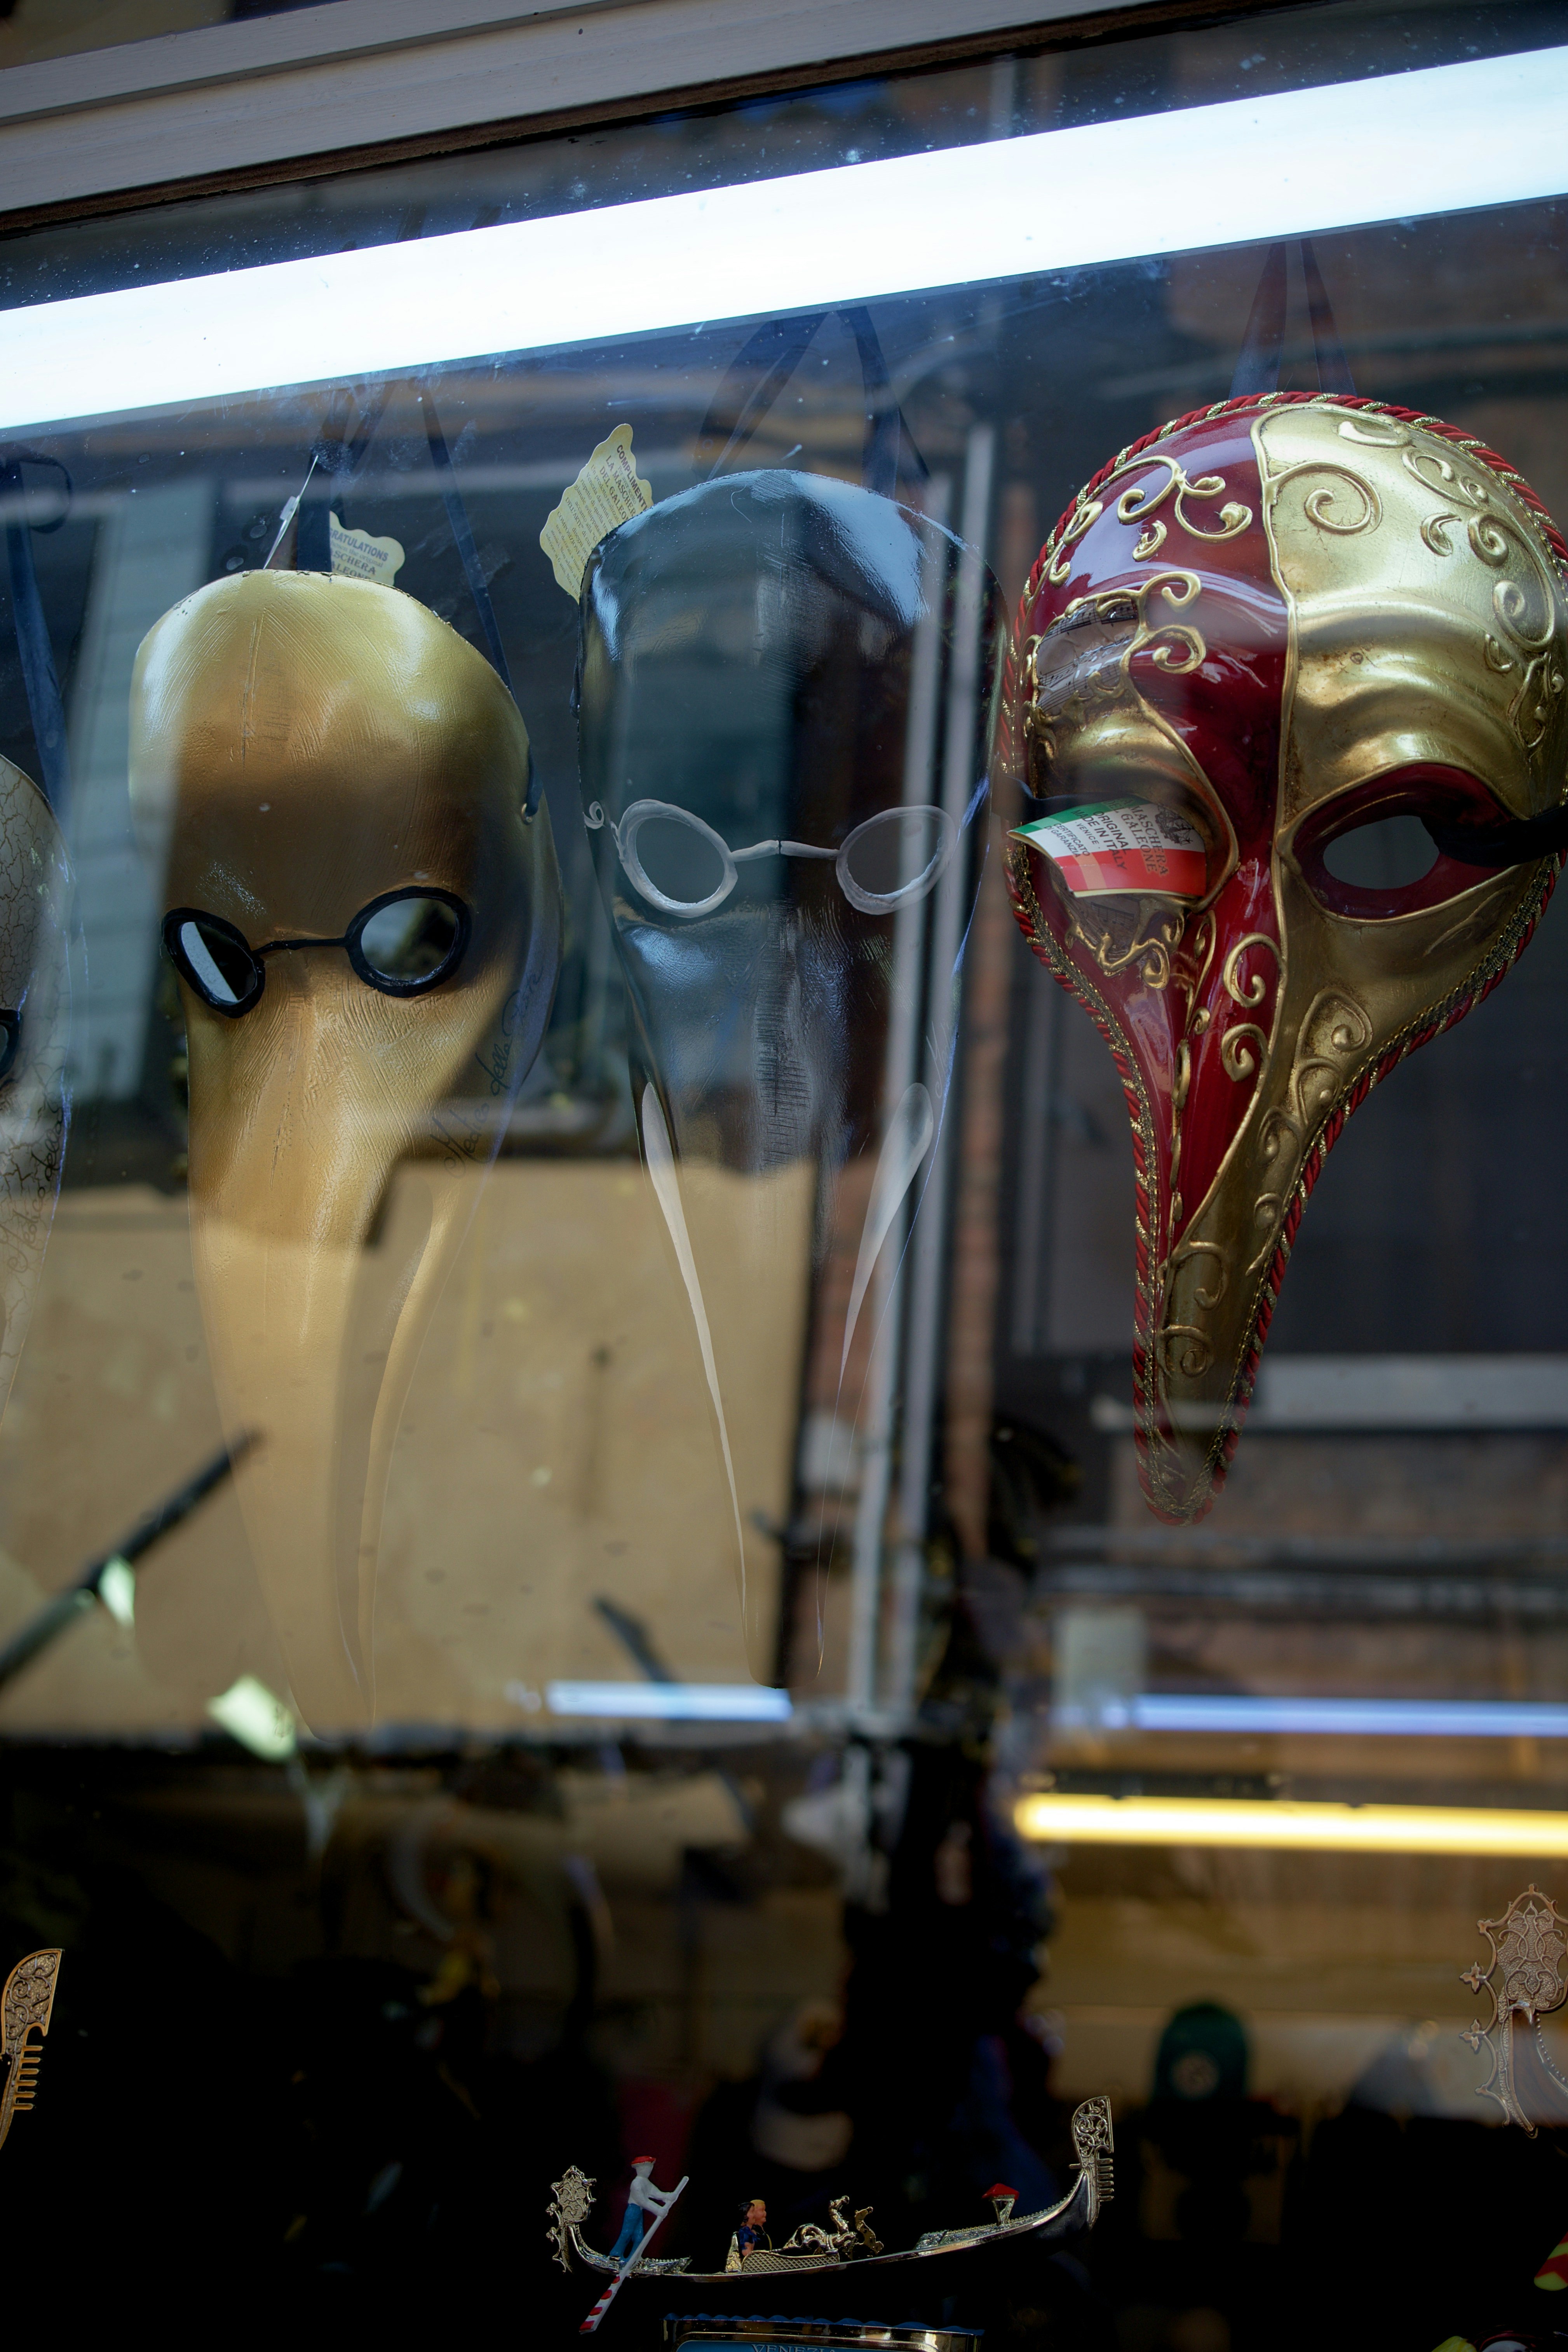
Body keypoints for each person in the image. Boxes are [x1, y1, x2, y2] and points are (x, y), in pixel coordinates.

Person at [607, 2156, 677, 2267]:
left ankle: (634, 2258)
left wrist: (667, 2196)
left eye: (651, 2168)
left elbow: (655, 2193)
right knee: (627, 2233)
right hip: (633, 2210)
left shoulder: (645, 2182)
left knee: (639, 2237)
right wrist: (658, 2210)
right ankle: (615, 2256)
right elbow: (643, 2201)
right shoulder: (636, 2184)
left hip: (639, 2212)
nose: (649, 2171)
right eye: (647, 2168)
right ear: (640, 2169)